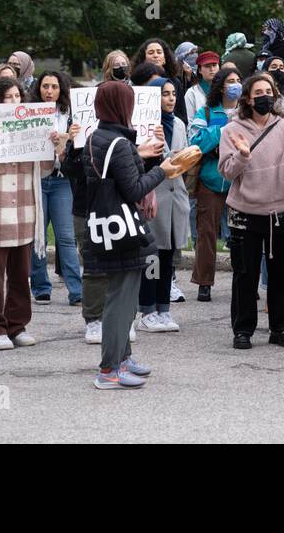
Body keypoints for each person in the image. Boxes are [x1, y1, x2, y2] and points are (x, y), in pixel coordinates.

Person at [84, 81, 183, 389]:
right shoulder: (120, 143)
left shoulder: (96, 137)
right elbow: (135, 189)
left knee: (120, 295)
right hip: (124, 230)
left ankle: (122, 358)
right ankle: (109, 369)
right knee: (122, 300)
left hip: (106, 228)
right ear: (121, 107)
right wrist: (163, 170)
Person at [218, 73, 284, 349]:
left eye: (269, 91)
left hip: (280, 210)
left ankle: (281, 327)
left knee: (283, 272)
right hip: (244, 211)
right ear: (248, 98)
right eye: (258, 92)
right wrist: (242, 155)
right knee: (245, 274)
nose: (264, 96)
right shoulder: (231, 130)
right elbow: (226, 172)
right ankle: (243, 330)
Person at [0, 77, 53, 350]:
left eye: (17, 96)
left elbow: (46, 168)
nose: (14, 102)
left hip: (25, 214)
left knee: (21, 276)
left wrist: (52, 144)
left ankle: (18, 325)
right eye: (8, 98)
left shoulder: (31, 128)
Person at [137, 78, 191, 334]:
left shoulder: (179, 122)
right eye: (164, 94)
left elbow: (182, 157)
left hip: (175, 192)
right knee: (152, 255)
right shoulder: (144, 124)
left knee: (168, 255)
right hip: (154, 194)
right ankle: (146, 309)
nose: (170, 99)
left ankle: (163, 308)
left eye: (173, 94)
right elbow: (143, 162)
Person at [28, 71, 83, 306]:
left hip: (62, 180)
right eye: (45, 86)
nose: (49, 91)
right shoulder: (29, 113)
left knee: (67, 238)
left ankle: (76, 290)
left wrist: (68, 140)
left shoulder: (70, 116)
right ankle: (40, 287)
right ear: (38, 88)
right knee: (38, 236)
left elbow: (80, 149)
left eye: (54, 86)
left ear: (62, 89)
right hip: (37, 179)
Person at [188, 67, 241, 302]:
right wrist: (223, 129)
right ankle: (204, 282)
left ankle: (244, 280)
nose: (236, 84)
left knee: (243, 236)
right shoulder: (207, 112)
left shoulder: (247, 113)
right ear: (220, 86)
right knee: (206, 233)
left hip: (240, 183)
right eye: (231, 81)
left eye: (239, 80)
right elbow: (196, 140)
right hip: (210, 181)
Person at [185, 50, 220, 122]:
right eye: (207, 66)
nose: (212, 69)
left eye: (214, 65)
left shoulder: (224, 89)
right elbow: (189, 121)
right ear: (200, 70)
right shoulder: (192, 93)